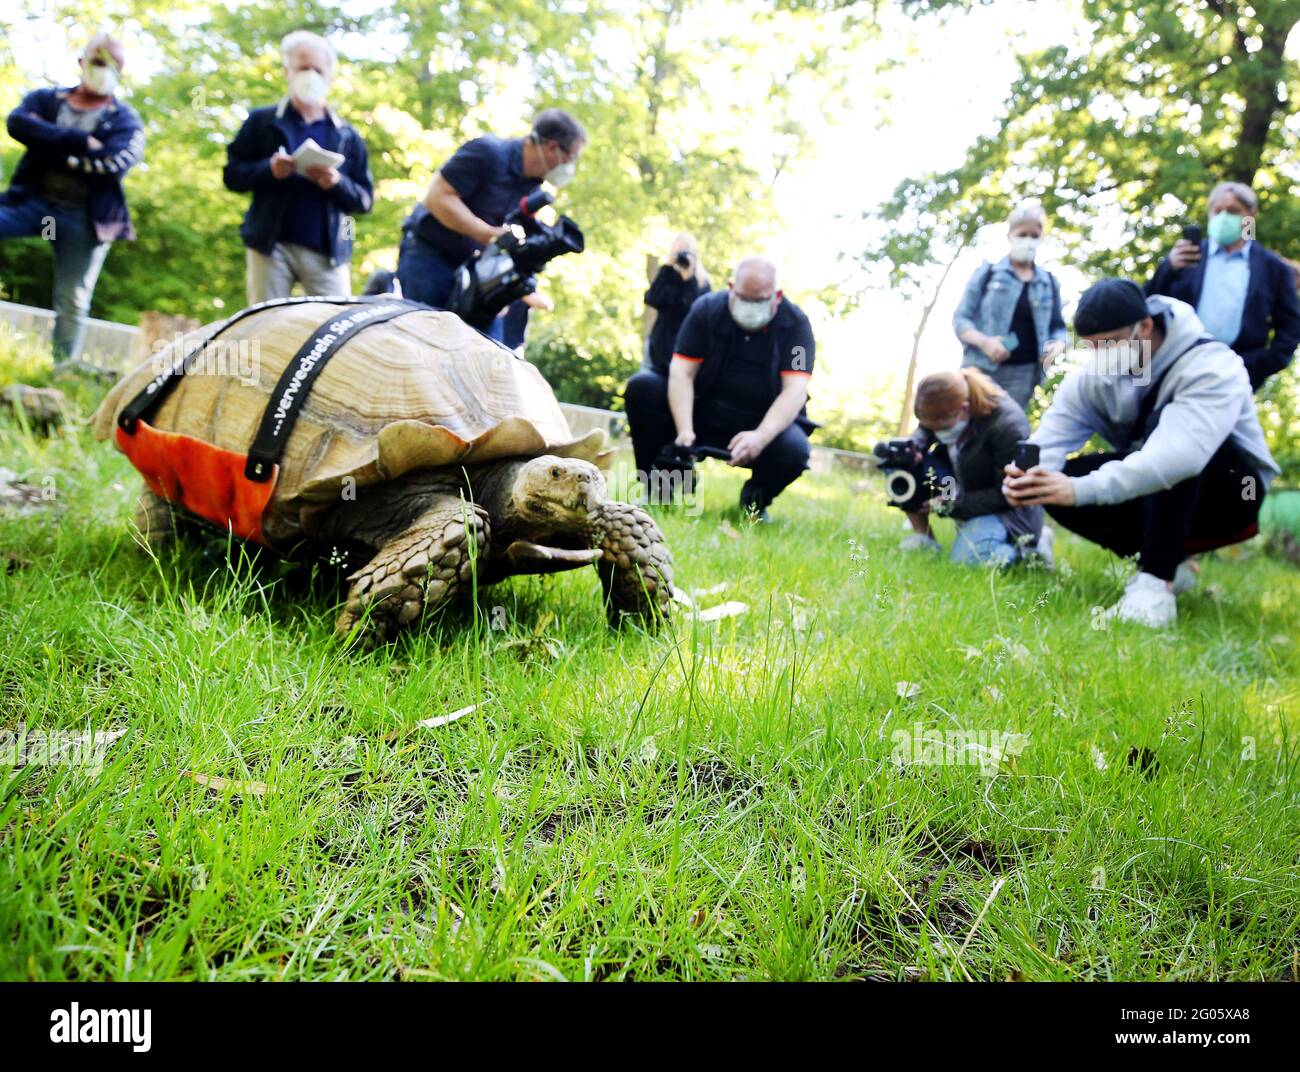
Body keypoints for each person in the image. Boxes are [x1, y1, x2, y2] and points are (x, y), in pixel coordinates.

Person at [1003, 278, 1279, 628]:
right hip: (1162, 496)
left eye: (1110, 344)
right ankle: (1172, 564)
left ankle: (1155, 584)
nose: (1100, 356)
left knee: (1166, 438)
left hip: (1234, 495)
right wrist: (1024, 473)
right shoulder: (1093, 377)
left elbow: (1177, 458)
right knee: (1059, 480)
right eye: (1092, 347)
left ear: (1145, 326)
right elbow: (1050, 437)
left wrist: (1079, 490)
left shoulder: (1212, 367)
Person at [623, 255, 814, 522]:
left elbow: (794, 390)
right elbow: (681, 372)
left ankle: (755, 502)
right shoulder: (706, 310)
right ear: (730, 287)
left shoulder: (795, 326)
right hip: (700, 412)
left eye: (758, 300)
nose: (749, 306)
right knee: (643, 388)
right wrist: (685, 430)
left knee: (795, 449)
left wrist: (760, 437)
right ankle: (660, 490)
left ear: (777, 296)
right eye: (743, 298)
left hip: (760, 424)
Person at [0, 32, 144, 367]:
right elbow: (18, 123)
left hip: (84, 217)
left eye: (114, 65)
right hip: (33, 204)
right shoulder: (47, 100)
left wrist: (51, 148)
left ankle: (63, 368)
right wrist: (79, 140)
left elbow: (112, 164)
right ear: (82, 62)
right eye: (98, 61)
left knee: (72, 296)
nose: (104, 69)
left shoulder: (124, 120)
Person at [396, 109, 586, 340]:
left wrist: (513, 289)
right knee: (426, 342)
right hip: (430, 255)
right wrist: (488, 233)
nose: (570, 166)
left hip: (476, 271)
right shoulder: (487, 152)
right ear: (552, 147)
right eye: (571, 157)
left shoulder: (533, 191)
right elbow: (437, 197)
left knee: (487, 353)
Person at [223, 31, 374, 303]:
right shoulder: (262, 121)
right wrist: (268, 171)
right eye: (304, 68)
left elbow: (364, 200)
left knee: (334, 326)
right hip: (270, 246)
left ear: (330, 75)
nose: (311, 76)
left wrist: (336, 183)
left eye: (318, 69)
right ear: (287, 70)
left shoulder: (347, 135)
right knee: (264, 323)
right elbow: (232, 175)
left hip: (328, 252)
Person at [1144, 180, 1300, 392]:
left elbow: (1290, 325)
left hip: (1237, 374)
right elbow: (1146, 306)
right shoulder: (1186, 257)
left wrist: (1263, 364)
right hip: (1177, 368)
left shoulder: (1272, 267)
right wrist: (1168, 268)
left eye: (1233, 211)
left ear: (1250, 216)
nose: (1224, 217)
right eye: (1217, 211)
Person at [897, 368, 1046, 566]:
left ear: (964, 408)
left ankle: (1028, 551)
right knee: (901, 464)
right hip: (958, 485)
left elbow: (1007, 494)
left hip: (1008, 511)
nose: (935, 433)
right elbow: (925, 429)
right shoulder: (944, 405)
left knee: (966, 561)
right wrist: (911, 448)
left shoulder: (1008, 426)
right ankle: (925, 539)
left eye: (941, 428)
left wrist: (952, 504)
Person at [952, 201, 1068, 411]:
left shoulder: (1048, 282)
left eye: (1034, 235)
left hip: (1024, 373)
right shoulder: (987, 273)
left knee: (1005, 431)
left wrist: (1056, 346)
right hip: (979, 368)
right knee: (964, 422)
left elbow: (1058, 327)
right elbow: (960, 320)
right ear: (1010, 235)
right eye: (1022, 234)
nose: (1028, 240)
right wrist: (985, 342)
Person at [643, 233, 710, 372]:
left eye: (685, 250)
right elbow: (651, 299)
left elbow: (695, 311)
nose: (681, 255)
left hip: (686, 349)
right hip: (658, 345)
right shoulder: (667, 276)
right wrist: (667, 267)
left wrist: (688, 280)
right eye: (677, 251)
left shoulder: (702, 282)